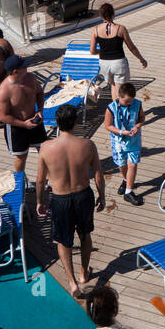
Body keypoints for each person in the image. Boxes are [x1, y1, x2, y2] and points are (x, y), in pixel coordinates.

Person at [36, 105, 106, 298]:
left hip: (60, 199)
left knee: (63, 241)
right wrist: (102, 195)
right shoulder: (88, 145)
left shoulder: (46, 148)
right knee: (84, 235)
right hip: (83, 195)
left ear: (57, 124)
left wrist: (39, 201)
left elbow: (40, 180)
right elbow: (99, 175)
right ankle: (84, 273)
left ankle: (72, 282)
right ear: (75, 122)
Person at [0, 55, 46, 173]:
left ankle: (50, 178)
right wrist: (24, 124)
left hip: (35, 120)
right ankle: (22, 179)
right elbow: (2, 116)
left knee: (44, 150)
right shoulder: (4, 91)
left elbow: (40, 93)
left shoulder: (31, 78)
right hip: (16, 127)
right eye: (24, 66)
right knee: (21, 156)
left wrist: (40, 110)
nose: (27, 67)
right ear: (15, 71)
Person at [89, 3, 147, 104]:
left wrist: (101, 51)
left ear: (101, 16)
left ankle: (115, 112)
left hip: (105, 64)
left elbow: (92, 51)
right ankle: (120, 114)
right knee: (120, 91)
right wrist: (141, 59)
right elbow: (131, 47)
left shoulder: (95, 30)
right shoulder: (121, 29)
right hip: (118, 63)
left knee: (113, 86)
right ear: (113, 14)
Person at [107, 82, 145, 205]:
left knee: (132, 165)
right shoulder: (111, 108)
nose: (129, 103)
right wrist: (121, 132)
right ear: (119, 96)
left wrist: (138, 126)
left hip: (133, 141)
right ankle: (125, 179)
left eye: (131, 101)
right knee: (122, 165)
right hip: (119, 142)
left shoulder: (137, 104)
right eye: (127, 101)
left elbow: (141, 118)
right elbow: (107, 125)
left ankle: (129, 191)